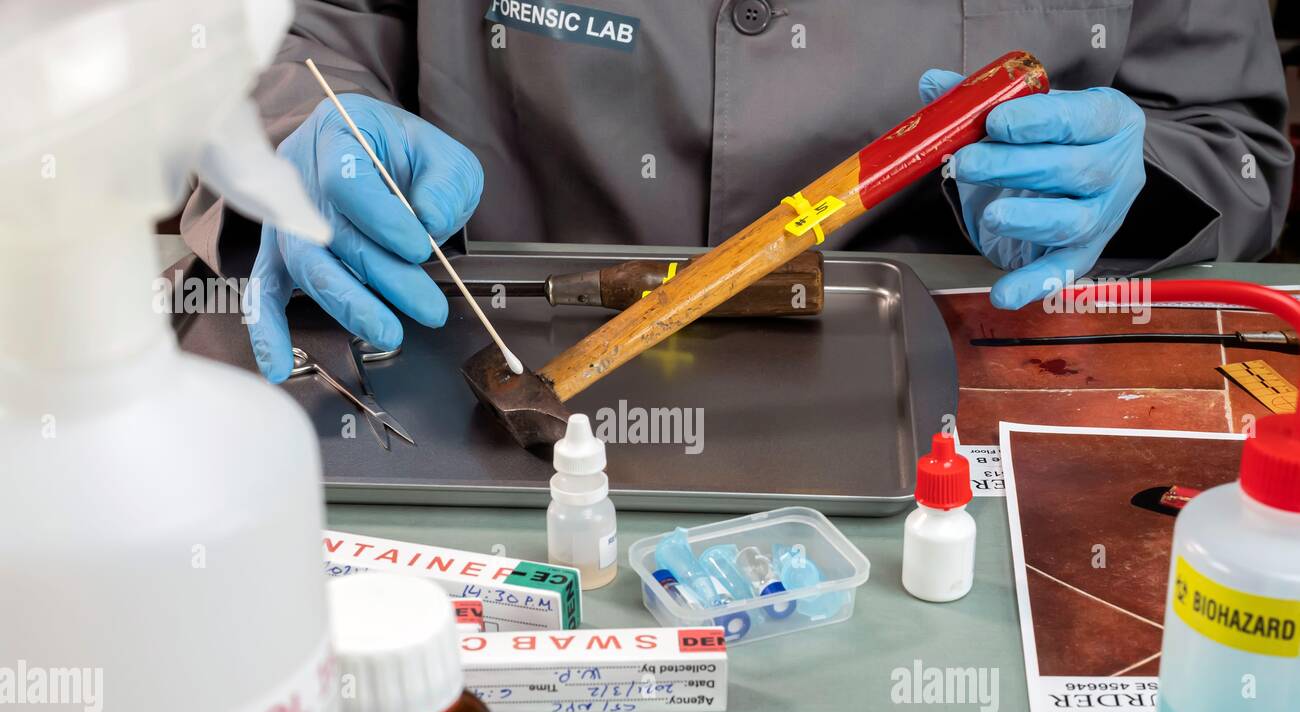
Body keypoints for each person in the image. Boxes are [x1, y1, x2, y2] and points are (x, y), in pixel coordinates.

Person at [180, 1, 1294, 383]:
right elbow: (293, 29)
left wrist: (1121, 185)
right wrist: (291, 134)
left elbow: (1232, 141)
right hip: (461, 363)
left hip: (950, 407)